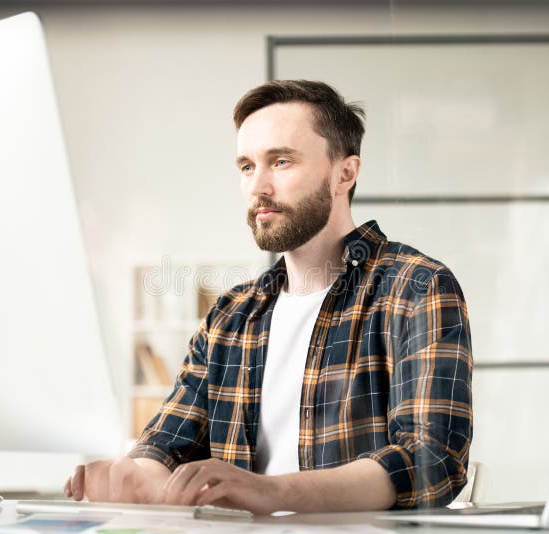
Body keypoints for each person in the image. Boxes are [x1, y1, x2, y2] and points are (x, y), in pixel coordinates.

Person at [64, 80, 473, 514]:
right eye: (246, 167)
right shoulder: (231, 315)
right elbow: (167, 446)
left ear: (345, 173)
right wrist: (132, 476)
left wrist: (269, 491)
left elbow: (432, 462)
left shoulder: (417, 287)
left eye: (280, 162)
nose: (258, 187)